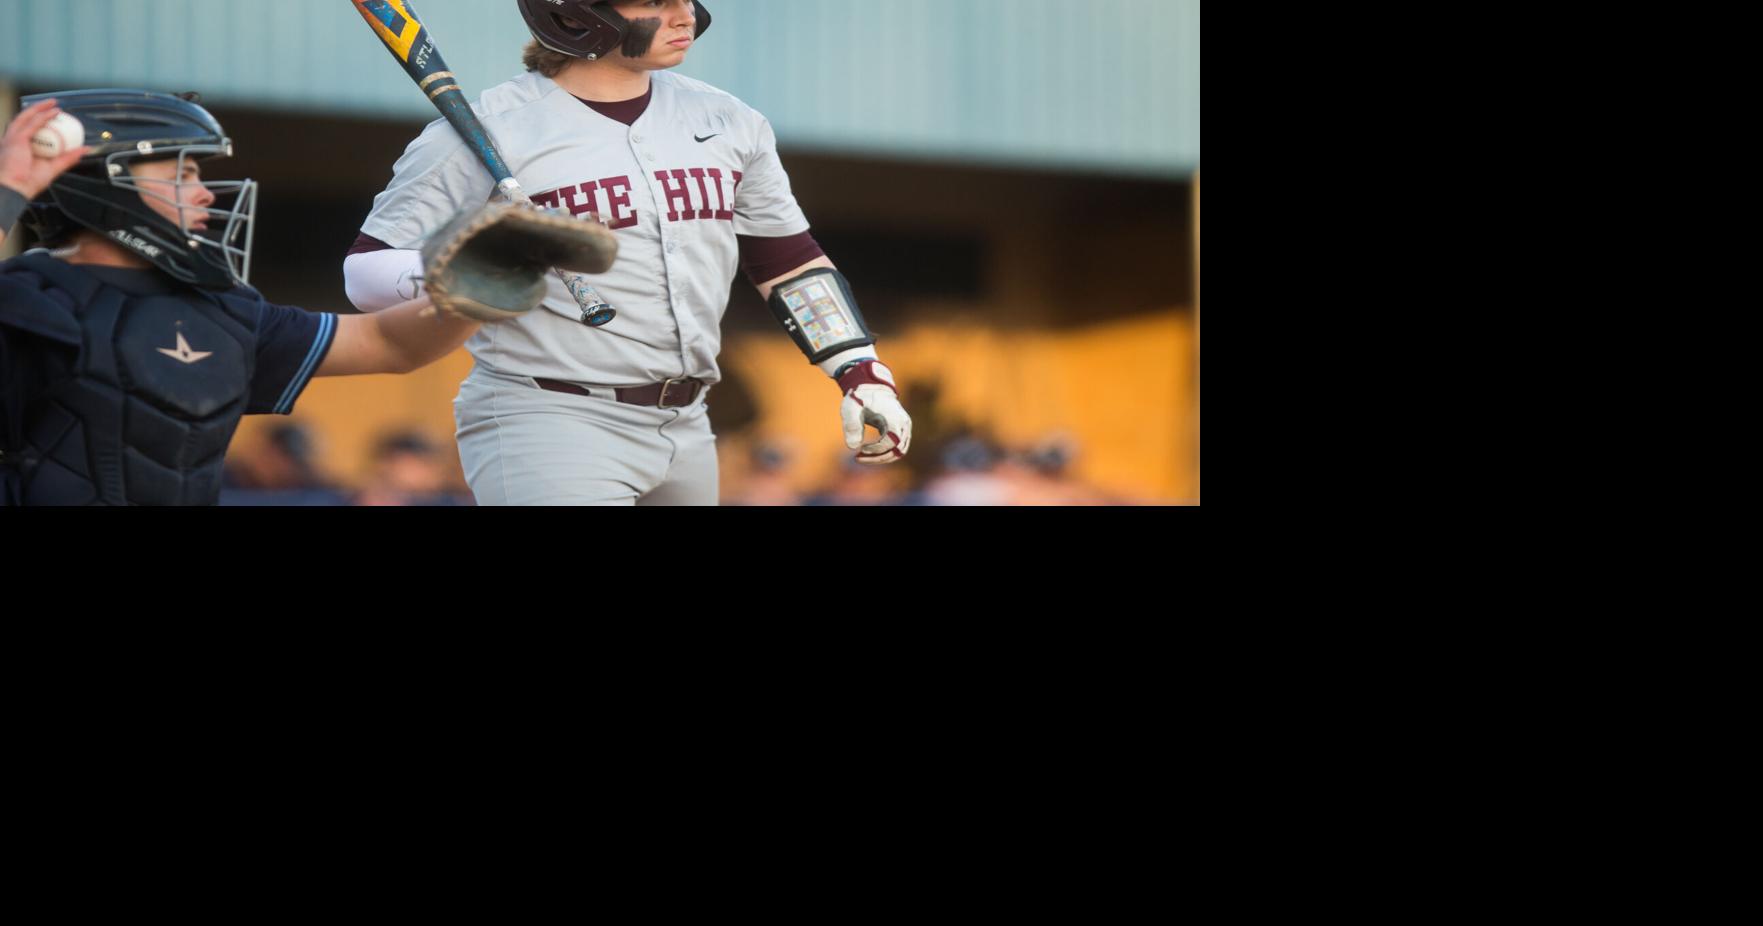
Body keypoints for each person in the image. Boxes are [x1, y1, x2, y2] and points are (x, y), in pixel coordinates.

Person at [344, 0, 913, 506]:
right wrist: (472, 268)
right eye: (654, 1)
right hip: (548, 416)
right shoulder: (484, 130)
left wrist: (860, 370)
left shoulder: (730, 121)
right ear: (574, 14)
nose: (685, 14)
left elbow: (786, 259)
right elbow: (365, 272)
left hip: (688, 421)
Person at [1, 90, 486, 506]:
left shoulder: (221, 307)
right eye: (183, 173)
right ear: (106, 183)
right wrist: (10, 189)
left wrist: (478, 287)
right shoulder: (27, 295)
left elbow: (386, 342)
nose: (204, 194)